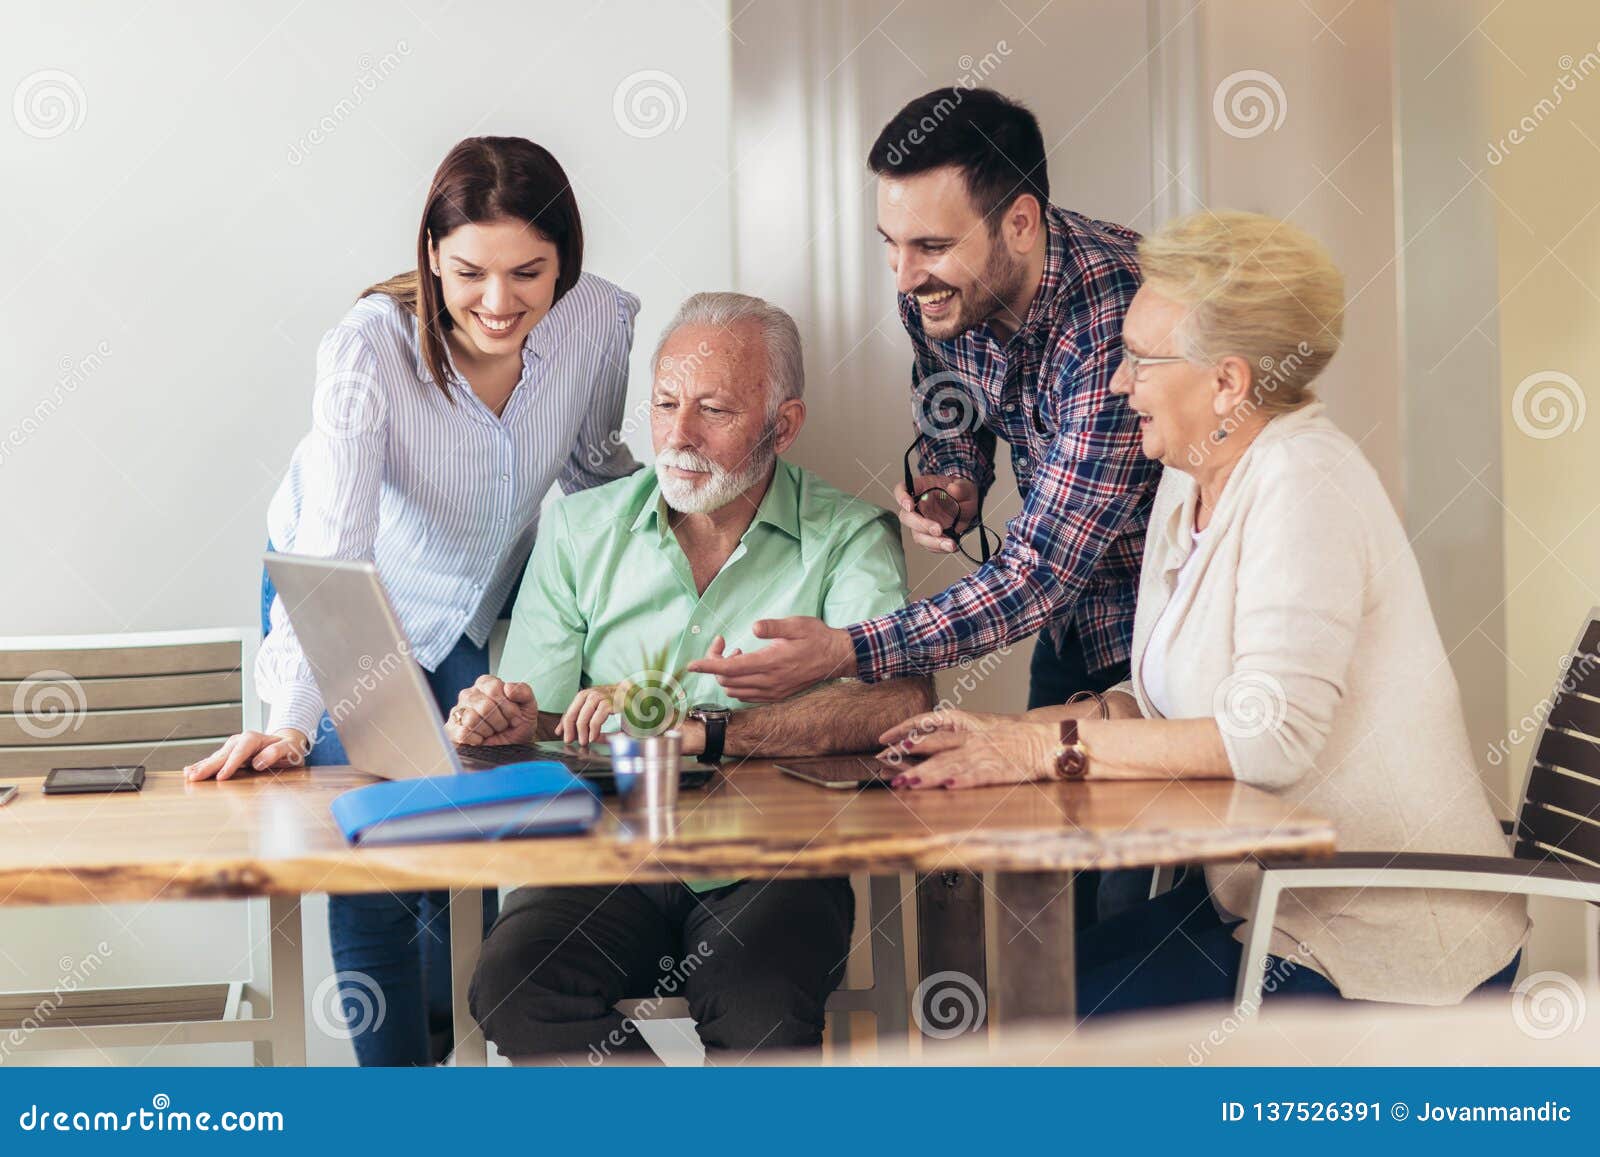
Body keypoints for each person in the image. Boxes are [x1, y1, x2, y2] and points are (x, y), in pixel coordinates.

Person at [878, 210, 1529, 1012]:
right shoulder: (1192, 473)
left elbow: (1268, 738)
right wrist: (995, 735)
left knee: (1042, 1024)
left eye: (1141, 360)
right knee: (1008, 994)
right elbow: (1158, 699)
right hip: (1266, 902)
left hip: (1379, 926)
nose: (1118, 383)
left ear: (1228, 381)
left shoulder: (1303, 481)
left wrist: (1040, 749)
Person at [184, 137, 642, 1066]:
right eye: (470, 271)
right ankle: (400, 1102)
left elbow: (597, 477)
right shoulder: (368, 347)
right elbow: (335, 546)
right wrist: (290, 718)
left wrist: (686, 551)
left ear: (569, 261)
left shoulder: (599, 322)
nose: (499, 302)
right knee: (375, 860)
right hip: (351, 596)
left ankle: (451, 1079)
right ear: (433, 253)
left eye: (529, 272)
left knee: (467, 846)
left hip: (477, 602)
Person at [443, 291, 934, 1061]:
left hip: (775, 863)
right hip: (600, 861)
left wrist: (708, 729)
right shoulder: (578, 530)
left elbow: (899, 703)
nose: (678, 435)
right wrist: (513, 723)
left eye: (714, 409)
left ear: (785, 423)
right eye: (665, 402)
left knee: (759, 1004)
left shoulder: (849, 536)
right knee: (514, 983)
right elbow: (540, 717)